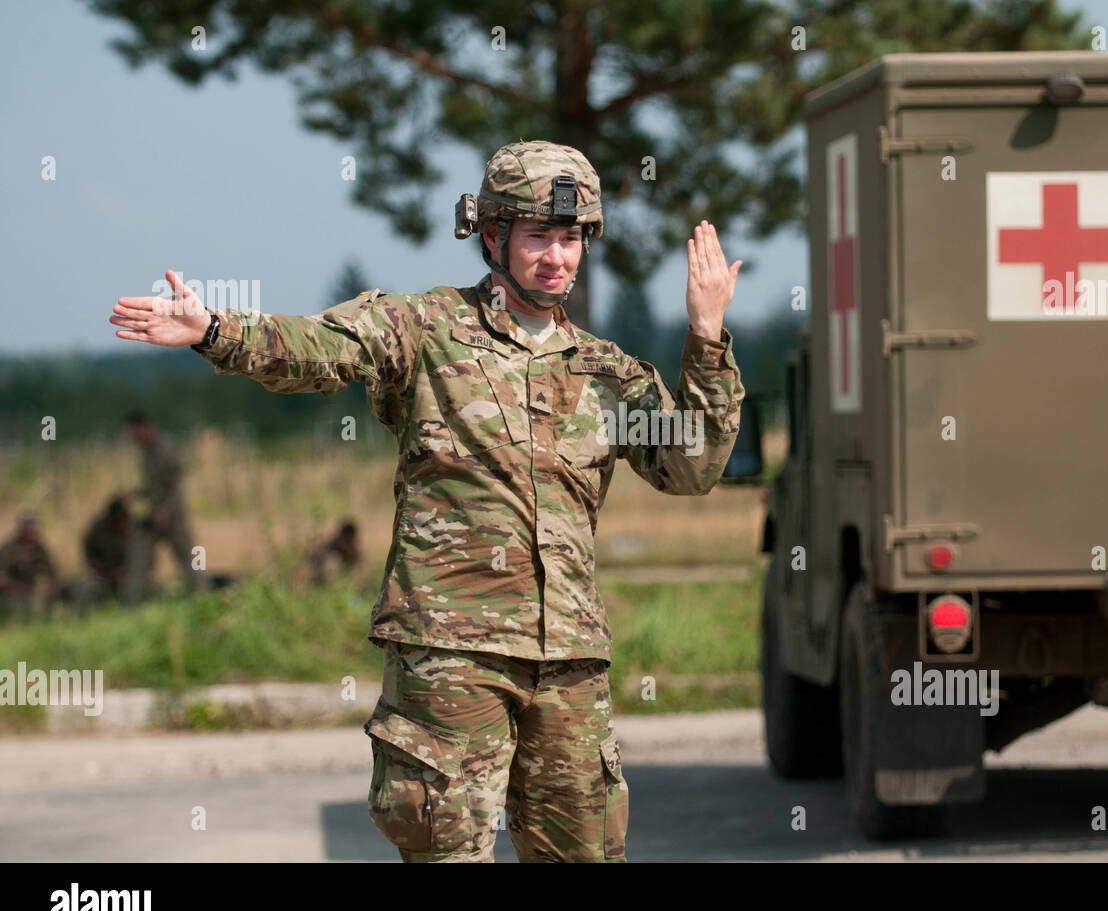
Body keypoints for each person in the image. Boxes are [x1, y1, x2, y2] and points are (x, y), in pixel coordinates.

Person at [109, 139, 745, 863]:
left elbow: (691, 467)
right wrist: (219, 331)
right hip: (450, 658)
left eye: (570, 239)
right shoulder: (425, 331)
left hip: (567, 665)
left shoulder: (606, 370)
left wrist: (705, 335)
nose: (557, 257)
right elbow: (320, 348)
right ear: (493, 237)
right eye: (539, 235)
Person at [121, 411, 207, 601]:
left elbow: (177, 485)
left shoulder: (166, 449)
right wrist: (136, 494)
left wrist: (166, 510)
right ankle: (132, 600)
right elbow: (154, 487)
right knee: (139, 558)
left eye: (133, 434)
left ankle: (204, 594)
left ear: (143, 428)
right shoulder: (145, 453)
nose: (132, 439)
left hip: (173, 515)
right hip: (152, 514)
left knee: (189, 557)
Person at [0, 512, 59, 618]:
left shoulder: (39, 549)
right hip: (12, 594)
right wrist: (21, 588)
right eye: (30, 526)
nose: (34, 530)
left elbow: (52, 572)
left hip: (31, 593)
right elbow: (3, 580)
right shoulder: (8, 549)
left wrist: (50, 588)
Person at [83, 496, 134, 599]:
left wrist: (123, 572)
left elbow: (137, 557)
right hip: (103, 575)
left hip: (126, 574)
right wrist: (106, 573)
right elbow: (90, 556)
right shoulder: (98, 531)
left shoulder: (131, 529)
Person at [308, 519, 361, 586]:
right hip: (323, 580)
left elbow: (359, 568)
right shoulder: (330, 546)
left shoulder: (353, 551)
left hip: (344, 583)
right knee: (332, 561)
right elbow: (312, 564)